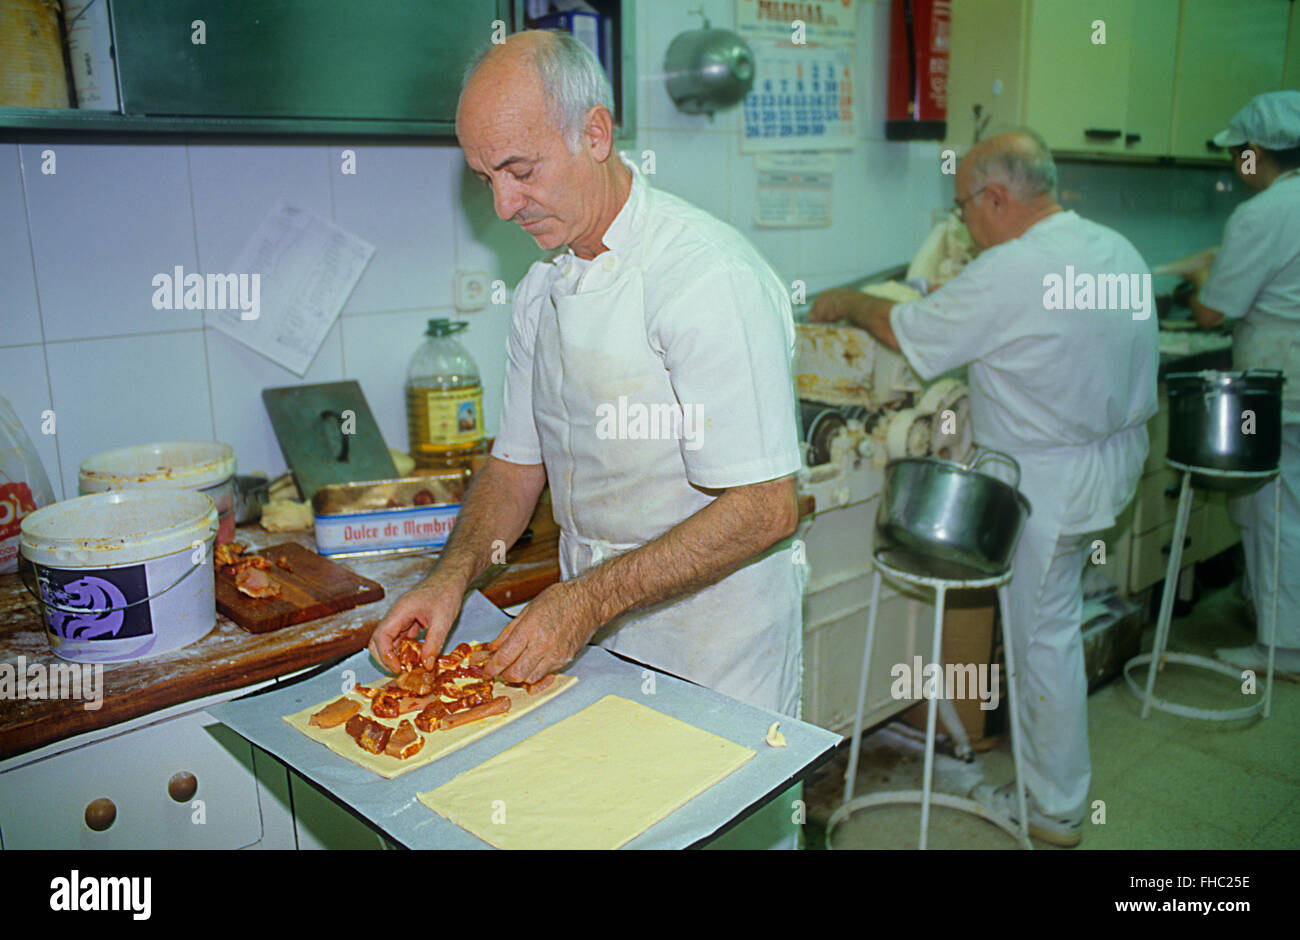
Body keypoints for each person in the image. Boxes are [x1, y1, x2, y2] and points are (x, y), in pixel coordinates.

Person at [369, 31, 806, 846]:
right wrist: (450, 580)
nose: (502, 206)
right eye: (484, 178)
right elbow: (513, 469)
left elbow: (766, 507)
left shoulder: (704, 277)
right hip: (592, 649)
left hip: (714, 650)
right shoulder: (543, 291)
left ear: (595, 134)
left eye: (520, 170)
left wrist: (585, 599)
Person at [810, 131, 1158, 847]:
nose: (964, 221)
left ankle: (1055, 809)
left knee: (1042, 641)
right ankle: (1044, 785)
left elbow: (908, 331)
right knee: (1050, 630)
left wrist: (846, 301)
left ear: (998, 198)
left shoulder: (1012, 271)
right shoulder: (1113, 249)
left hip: (1049, 485)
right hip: (1112, 466)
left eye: (965, 205)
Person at [1184, 90, 1300, 678]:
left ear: (1257, 152)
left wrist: (1201, 275)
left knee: (1273, 510)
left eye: (1239, 153)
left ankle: (1281, 649)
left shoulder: (1262, 213)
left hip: (1285, 390)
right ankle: (1278, 617)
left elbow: (1210, 313)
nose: (1236, 163)